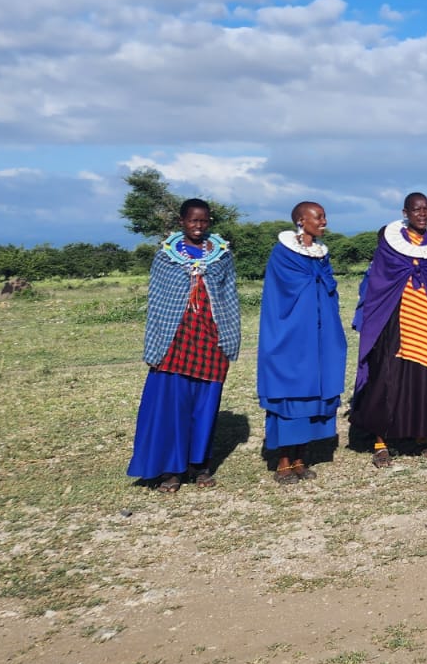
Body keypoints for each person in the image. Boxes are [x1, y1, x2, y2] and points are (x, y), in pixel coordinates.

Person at [349, 192, 427, 467]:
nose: (422, 214)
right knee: (387, 379)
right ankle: (381, 442)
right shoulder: (390, 244)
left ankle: (425, 436)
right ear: (405, 212)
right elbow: (380, 282)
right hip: (396, 321)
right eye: (416, 209)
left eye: (426, 209)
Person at [128, 199, 241, 493]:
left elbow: (229, 298)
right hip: (174, 340)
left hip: (210, 340)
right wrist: (154, 346)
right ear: (181, 222)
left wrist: (230, 337)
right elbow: (157, 304)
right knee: (172, 407)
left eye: (204, 221)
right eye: (193, 221)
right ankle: (171, 470)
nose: (199, 227)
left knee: (205, 405)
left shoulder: (221, 256)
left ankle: (199, 465)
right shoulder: (165, 258)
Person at [257, 201, 348, 484]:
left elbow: (327, 288)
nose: (324, 221)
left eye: (324, 216)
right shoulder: (283, 253)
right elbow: (284, 292)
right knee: (291, 392)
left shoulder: (321, 255)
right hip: (292, 334)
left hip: (319, 333)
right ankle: (283, 461)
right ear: (300, 220)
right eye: (318, 217)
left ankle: (301, 457)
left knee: (316, 388)